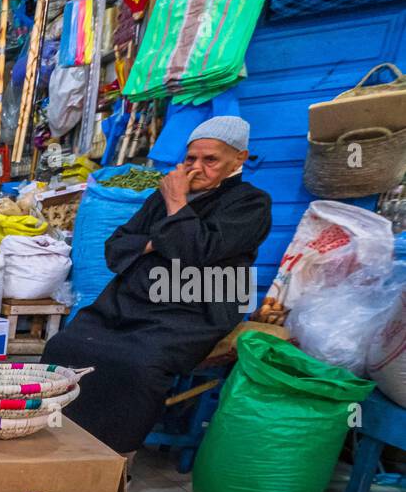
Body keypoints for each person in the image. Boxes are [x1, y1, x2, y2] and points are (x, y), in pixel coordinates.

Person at [41, 115, 272, 457]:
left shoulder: (250, 203)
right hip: (134, 300)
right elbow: (116, 247)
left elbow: (196, 253)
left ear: (239, 159)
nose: (196, 168)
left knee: (138, 362)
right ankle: (59, 437)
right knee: (66, 345)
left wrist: (176, 206)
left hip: (197, 305)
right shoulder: (162, 195)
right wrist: (158, 240)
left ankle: (114, 455)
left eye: (211, 161)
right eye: (191, 158)